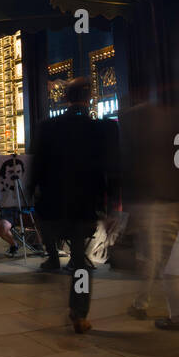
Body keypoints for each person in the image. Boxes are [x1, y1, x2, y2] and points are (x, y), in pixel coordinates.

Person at [31, 78, 117, 333]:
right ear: (89, 98)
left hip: (52, 203)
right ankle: (78, 311)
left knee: (58, 247)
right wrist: (110, 206)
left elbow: (36, 167)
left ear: (65, 98)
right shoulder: (99, 129)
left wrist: (32, 198)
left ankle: (53, 259)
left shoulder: (47, 127)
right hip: (84, 204)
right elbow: (109, 169)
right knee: (80, 258)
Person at [120, 100, 179, 330]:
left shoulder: (140, 136)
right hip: (171, 202)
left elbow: (131, 171)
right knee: (157, 256)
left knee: (157, 257)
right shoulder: (173, 125)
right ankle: (142, 303)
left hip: (154, 204)